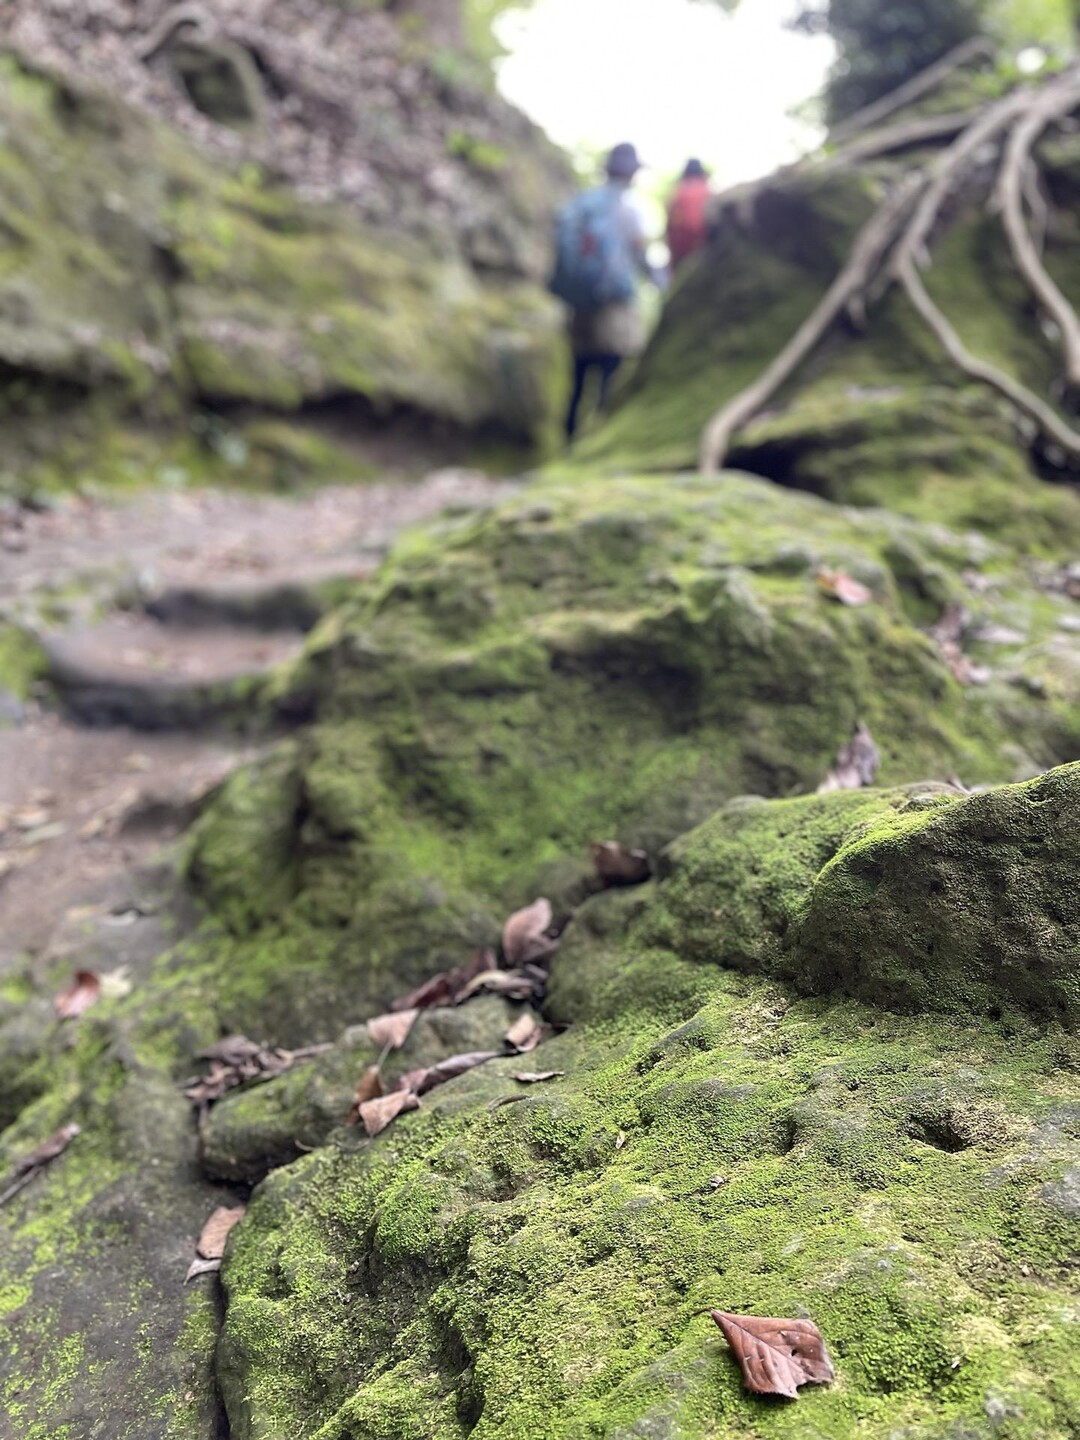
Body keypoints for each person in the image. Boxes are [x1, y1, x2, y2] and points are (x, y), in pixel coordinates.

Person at [549, 142, 661, 441]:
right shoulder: (628, 210)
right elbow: (640, 256)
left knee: (579, 378)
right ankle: (596, 441)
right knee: (608, 379)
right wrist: (660, 281)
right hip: (613, 307)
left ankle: (568, 439)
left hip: (580, 305)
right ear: (631, 173)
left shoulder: (583, 203)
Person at [666, 158, 711, 272]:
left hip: (683, 255)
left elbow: (671, 227)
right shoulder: (709, 191)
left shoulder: (677, 193)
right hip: (706, 253)